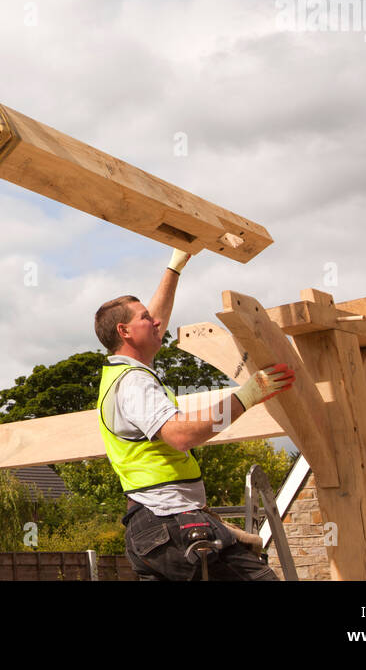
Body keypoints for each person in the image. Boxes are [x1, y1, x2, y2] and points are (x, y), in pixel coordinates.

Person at [94, 248, 295, 581]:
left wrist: (176, 265)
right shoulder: (134, 384)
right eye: (144, 318)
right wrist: (248, 395)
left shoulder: (125, 372)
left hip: (153, 530)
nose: (155, 322)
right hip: (169, 521)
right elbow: (181, 435)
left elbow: (156, 316)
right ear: (125, 332)